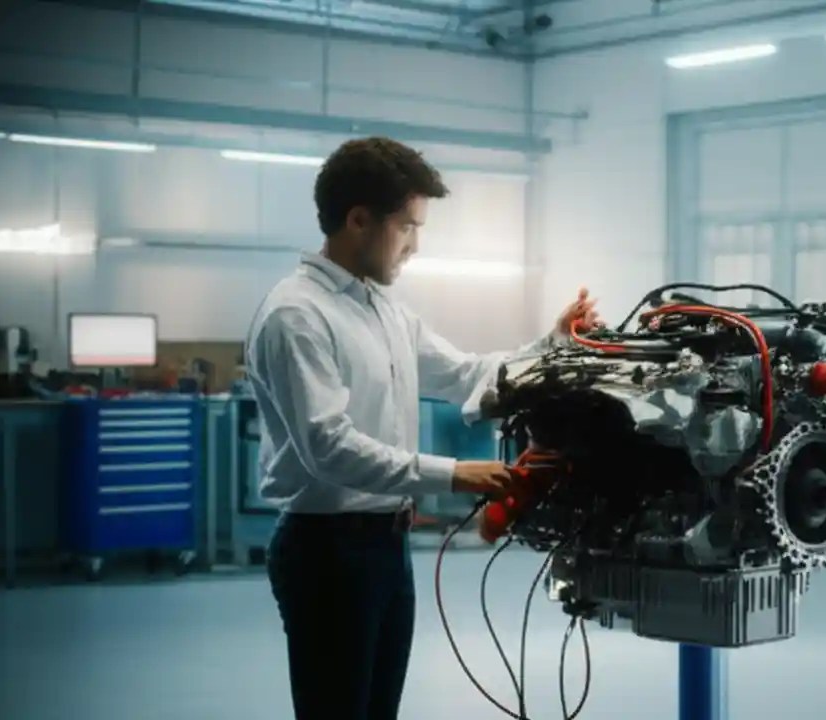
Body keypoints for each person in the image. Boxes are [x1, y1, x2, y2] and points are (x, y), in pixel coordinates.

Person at [245, 137, 601, 720]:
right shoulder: (297, 315)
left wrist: (555, 343)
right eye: (407, 227)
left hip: (386, 543)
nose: (415, 245)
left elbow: (468, 374)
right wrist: (454, 474)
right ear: (359, 220)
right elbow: (326, 448)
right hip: (326, 551)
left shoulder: (382, 309)